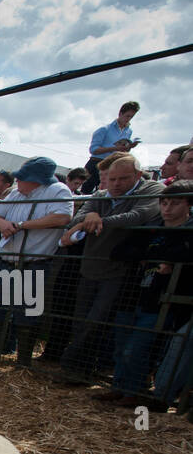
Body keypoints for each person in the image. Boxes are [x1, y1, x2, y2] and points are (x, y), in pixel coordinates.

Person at [55, 152, 163, 383]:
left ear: (136, 175)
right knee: (81, 318)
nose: (115, 184)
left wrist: (96, 220)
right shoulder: (101, 195)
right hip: (90, 266)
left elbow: (139, 215)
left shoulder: (151, 190)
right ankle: (77, 368)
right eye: (112, 179)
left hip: (119, 269)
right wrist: (91, 215)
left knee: (99, 320)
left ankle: (75, 366)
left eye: (122, 179)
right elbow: (76, 219)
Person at [101, 180, 193, 405]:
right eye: (164, 203)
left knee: (138, 347)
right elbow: (119, 251)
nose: (168, 209)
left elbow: (184, 255)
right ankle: (120, 387)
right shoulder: (150, 227)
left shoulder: (189, 232)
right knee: (121, 344)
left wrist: (155, 255)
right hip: (133, 294)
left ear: (188, 205)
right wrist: (160, 256)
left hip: (162, 301)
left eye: (175, 203)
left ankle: (135, 391)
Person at [0, 156, 75, 367]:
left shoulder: (58, 191)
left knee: (26, 314)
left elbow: (62, 218)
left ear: (37, 179)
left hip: (34, 263)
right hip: (8, 260)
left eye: (22, 178)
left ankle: (22, 362)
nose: (17, 182)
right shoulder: (15, 193)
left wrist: (22, 225)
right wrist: (3, 223)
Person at [83, 101, 140, 194]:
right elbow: (93, 150)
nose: (129, 119)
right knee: (86, 192)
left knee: (107, 193)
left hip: (112, 165)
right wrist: (115, 148)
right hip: (96, 163)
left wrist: (128, 147)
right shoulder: (104, 129)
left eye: (131, 117)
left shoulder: (129, 131)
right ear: (120, 113)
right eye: (127, 116)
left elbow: (122, 150)